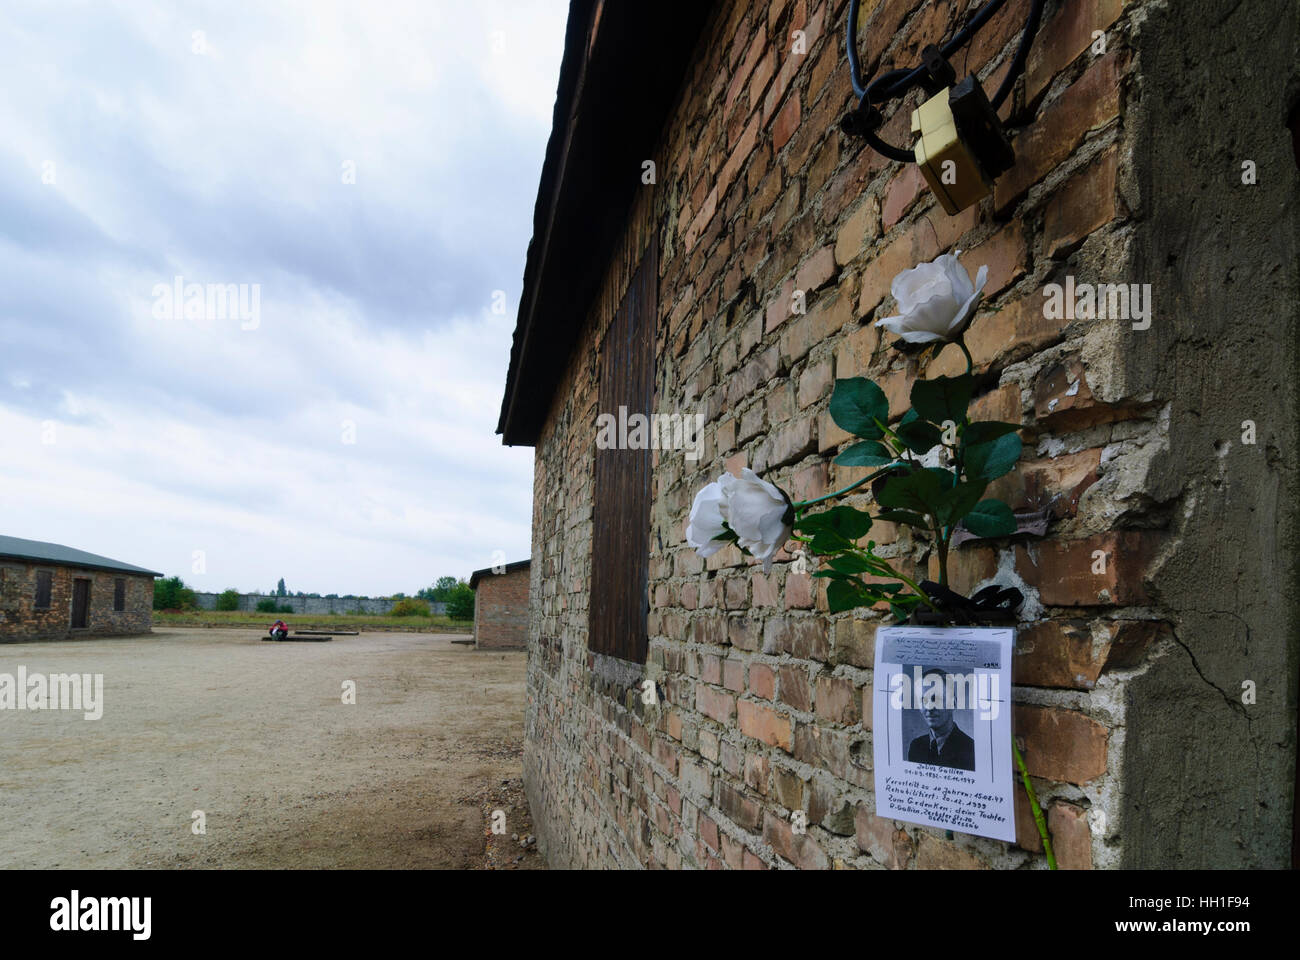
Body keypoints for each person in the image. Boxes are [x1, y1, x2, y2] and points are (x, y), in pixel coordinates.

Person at [906, 670, 977, 771]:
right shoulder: (916, 747)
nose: (929, 707)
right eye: (924, 700)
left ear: (953, 703)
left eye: (936, 699)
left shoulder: (971, 750)